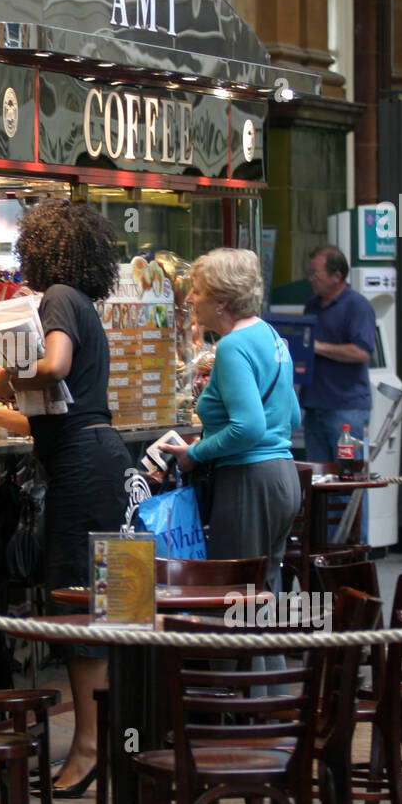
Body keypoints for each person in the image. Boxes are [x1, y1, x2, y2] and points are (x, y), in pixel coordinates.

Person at [0, 200, 130, 797]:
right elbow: (57, 413)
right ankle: (117, 743)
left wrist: (7, 372)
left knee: (78, 609)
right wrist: (2, 405)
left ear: (41, 250)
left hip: (82, 473)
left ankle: (89, 751)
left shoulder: (58, 298)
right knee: (110, 608)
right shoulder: (83, 302)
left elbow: (54, 366)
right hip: (102, 459)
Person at [160, 249, 300, 670]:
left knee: (232, 599)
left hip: (248, 481)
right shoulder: (273, 338)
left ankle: (235, 712)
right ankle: (268, 709)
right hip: (282, 477)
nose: (190, 300)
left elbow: (248, 427)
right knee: (261, 598)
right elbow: (290, 416)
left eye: (197, 292)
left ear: (221, 300)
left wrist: (193, 454)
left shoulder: (234, 346)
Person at [298, 244, 376, 541]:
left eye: (315, 274)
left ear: (337, 275)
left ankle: (353, 553)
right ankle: (324, 551)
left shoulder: (357, 306)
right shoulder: (311, 306)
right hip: (315, 405)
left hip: (346, 409)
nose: (311, 279)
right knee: (321, 484)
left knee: (351, 483)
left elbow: (361, 352)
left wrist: (316, 348)